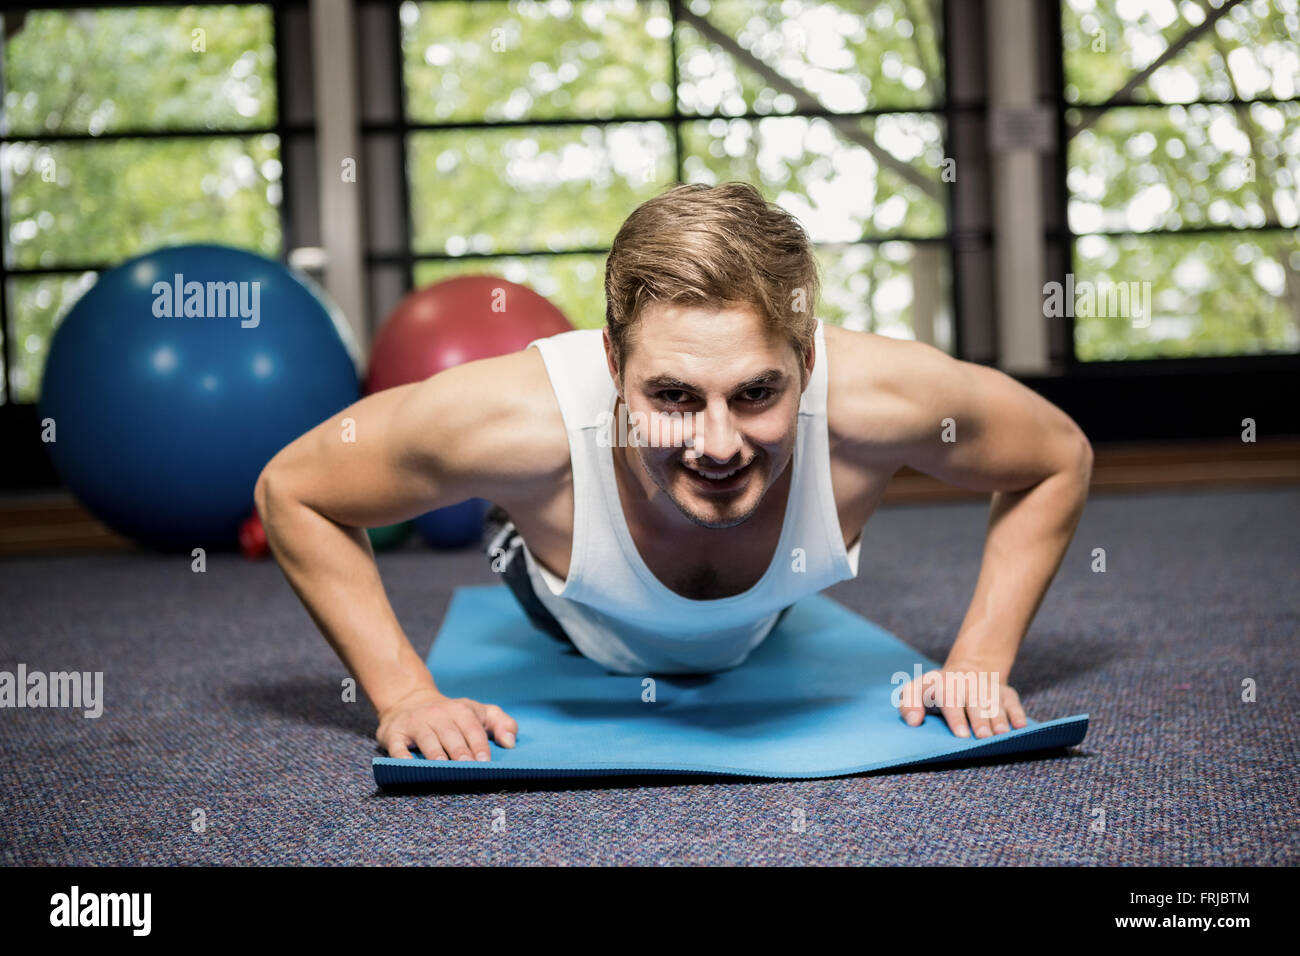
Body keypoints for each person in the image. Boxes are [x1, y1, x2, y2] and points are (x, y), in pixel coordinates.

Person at [256, 182, 1093, 763]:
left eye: (759, 392)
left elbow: (1057, 457)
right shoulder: (513, 421)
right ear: (614, 362)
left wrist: (982, 656)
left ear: (807, 356)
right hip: (563, 593)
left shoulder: (886, 400)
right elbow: (293, 490)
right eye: (674, 395)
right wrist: (403, 696)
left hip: (764, 613)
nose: (720, 445)